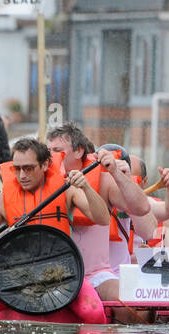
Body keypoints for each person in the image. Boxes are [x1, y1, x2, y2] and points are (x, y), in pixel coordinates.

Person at [0, 137, 110, 324]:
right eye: (17, 169)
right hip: (19, 273)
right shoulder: (2, 200)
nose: (22, 175)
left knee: (94, 314)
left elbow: (103, 218)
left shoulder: (67, 190)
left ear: (45, 165)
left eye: (28, 168)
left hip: (62, 272)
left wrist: (86, 187)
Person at [45, 123, 154, 304]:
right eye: (48, 151)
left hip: (95, 274)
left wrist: (117, 174)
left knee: (130, 303)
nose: (51, 157)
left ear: (79, 151)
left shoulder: (104, 180)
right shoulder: (39, 181)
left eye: (57, 150)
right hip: (51, 275)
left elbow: (142, 208)